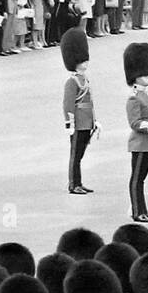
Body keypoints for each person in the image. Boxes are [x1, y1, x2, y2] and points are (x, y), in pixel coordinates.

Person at [124, 42, 148, 223]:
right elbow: (135, 123)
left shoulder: (144, 95)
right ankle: (137, 212)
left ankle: (143, 211)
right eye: (144, 73)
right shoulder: (133, 97)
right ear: (135, 75)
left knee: (142, 179)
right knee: (137, 180)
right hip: (140, 144)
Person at [60, 28, 98, 196]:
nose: (85, 62)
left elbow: (90, 102)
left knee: (80, 154)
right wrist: (69, 123)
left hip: (86, 121)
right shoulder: (72, 81)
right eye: (82, 60)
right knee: (75, 155)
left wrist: (94, 121)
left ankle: (79, 182)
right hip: (77, 122)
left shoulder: (84, 78)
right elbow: (68, 104)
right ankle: (73, 184)